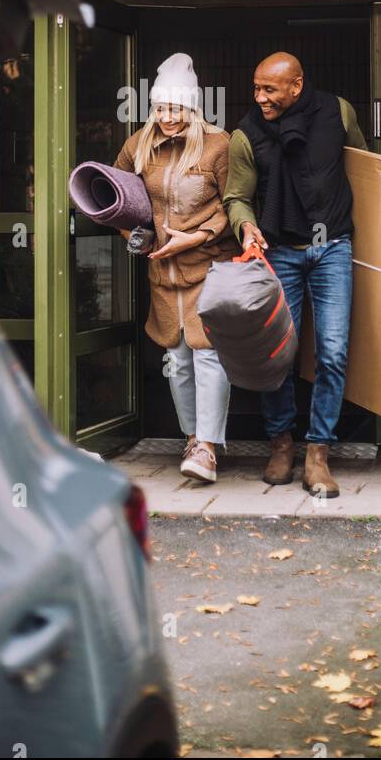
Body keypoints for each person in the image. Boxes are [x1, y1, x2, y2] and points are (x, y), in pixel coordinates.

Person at [223, 52, 367, 496]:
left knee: (334, 352)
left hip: (334, 249)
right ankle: (281, 443)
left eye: (269, 89)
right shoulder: (245, 134)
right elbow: (236, 197)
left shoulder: (338, 112)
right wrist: (245, 225)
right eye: (256, 87)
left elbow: (367, 168)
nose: (259, 97)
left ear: (297, 86)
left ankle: (318, 452)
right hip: (278, 251)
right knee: (277, 355)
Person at [114, 54, 237, 484]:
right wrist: (137, 235)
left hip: (207, 268)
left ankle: (207, 447)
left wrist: (200, 236)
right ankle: (191, 437)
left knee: (208, 355)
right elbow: (118, 198)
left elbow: (233, 205)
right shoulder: (138, 145)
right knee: (178, 359)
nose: (167, 118)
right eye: (161, 108)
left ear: (193, 107)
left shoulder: (219, 145)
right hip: (163, 274)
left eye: (176, 109)